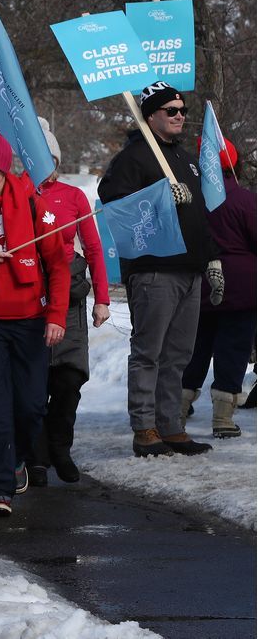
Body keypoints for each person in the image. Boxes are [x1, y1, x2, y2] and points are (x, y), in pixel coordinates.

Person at [98, 81, 220, 457]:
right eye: (172, 111)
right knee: (149, 352)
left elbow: (198, 216)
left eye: (183, 110)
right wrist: (158, 196)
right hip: (154, 269)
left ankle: (171, 425)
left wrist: (211, 258)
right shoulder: (134, 157)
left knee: (178, 354)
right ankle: (145, 427)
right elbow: (112, 201)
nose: (180, 115)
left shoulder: (184, 159)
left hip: (189, 270)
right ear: (151, 116)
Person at [0, 133, 69, 516]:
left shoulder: (34, 204)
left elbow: (59, 265)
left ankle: (16, 458)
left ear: (5, 168)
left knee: (30, 406)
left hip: (30, 320)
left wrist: (57, 316)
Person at [29, 119, 111, 486]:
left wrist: (103, 299)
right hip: (30, 301)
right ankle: (36, 458)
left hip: (72, 302)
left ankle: (60, 448)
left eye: (50, 157)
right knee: (33, 386)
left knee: (68, 382)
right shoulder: (18, 194)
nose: (45, 163)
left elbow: (93, 248)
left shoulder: (73, 196)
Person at [181, 139, 256, 438]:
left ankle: (178, 409)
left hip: (199, 287)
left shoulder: (192, 200)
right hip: (240, 290)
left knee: (195, 349)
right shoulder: (245, 200)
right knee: (233, 350)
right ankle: (223, 419)